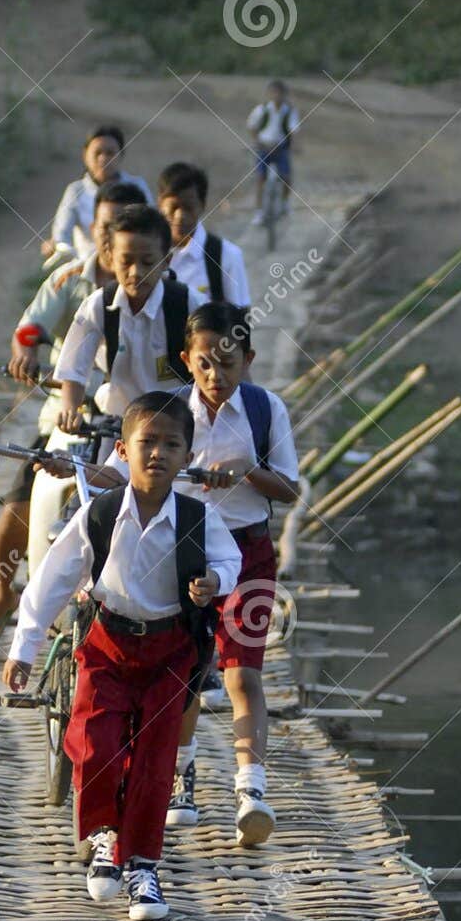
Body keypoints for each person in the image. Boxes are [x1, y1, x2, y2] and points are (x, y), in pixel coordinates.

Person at [2, 392, 241, 921]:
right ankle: (105, 837)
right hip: (108, 645)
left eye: (171, 444)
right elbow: (50, 582)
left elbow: (231, 558)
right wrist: (25, 647)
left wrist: (214, 582)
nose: (158, 453)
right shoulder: (100, 514)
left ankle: (142, 865)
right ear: (123, 450)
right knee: (94, 743)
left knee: (157, 758)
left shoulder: (199, 518)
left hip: (169, 649)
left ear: (187, 454)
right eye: (147, 442)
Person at [93, 303, 299, 846]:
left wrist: (248, 473)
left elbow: (291, 489)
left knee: (242, 674)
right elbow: (129, 468)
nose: (216, 375)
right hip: (183, 556)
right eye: (204, 363)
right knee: (183, 676)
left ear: (248, 360)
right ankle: (180, 778)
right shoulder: (172, 416)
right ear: (186, 361)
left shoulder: (265, 409)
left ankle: (250, 789)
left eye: (228, 363)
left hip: (250, 554)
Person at [0, 180, 146, 646]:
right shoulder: (70, 281)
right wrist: (26, 354)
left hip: (139, 426)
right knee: (20, 505)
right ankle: (5, 590)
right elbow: (30, 330)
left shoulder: (168, 298)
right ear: (95, 229)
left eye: (129, 231)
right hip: (71, 421)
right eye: (109, 227)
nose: (117, 241)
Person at [54, 205, 201, 434]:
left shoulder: (189, 304)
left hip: (179, 428)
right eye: (126, 261)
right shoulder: (98, 306)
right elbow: (74, 370)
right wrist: (70, 409)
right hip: (119, 426)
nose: (135, 272)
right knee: (93, 470)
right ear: (111, 258)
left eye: (147, 261)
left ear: (166, 261)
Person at [44, 126, 153, 262]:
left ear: (121, 154)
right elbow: (62, 234)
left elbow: (152, 227)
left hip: (130, 265)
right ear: (85, 155)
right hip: (87, 268)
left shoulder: (137, 186)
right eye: (97, 153)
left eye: (110, 153)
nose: (103, 158)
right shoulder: (75, 191)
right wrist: (57, 246)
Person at [157, 162, 250, 307]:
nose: (180, 215)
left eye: (188, 207)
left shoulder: (226, 256)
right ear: (160, 204)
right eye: (173, 207)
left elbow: (240, 316)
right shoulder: (147, 254)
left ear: (202, 205)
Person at [247, 81, 298, 225]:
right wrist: (257, 141)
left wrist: (293, 145)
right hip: (264, 148)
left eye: (279, 93)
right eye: (274, 92)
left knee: (287, 177)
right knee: (260, 179)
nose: (277, 96)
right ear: (269, 94)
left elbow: (294, 130)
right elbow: (252, 126)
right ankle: (259, 213)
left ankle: (285, 204)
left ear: (284, 95)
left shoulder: (289, 111)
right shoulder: (262, 110)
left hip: (281, 147)